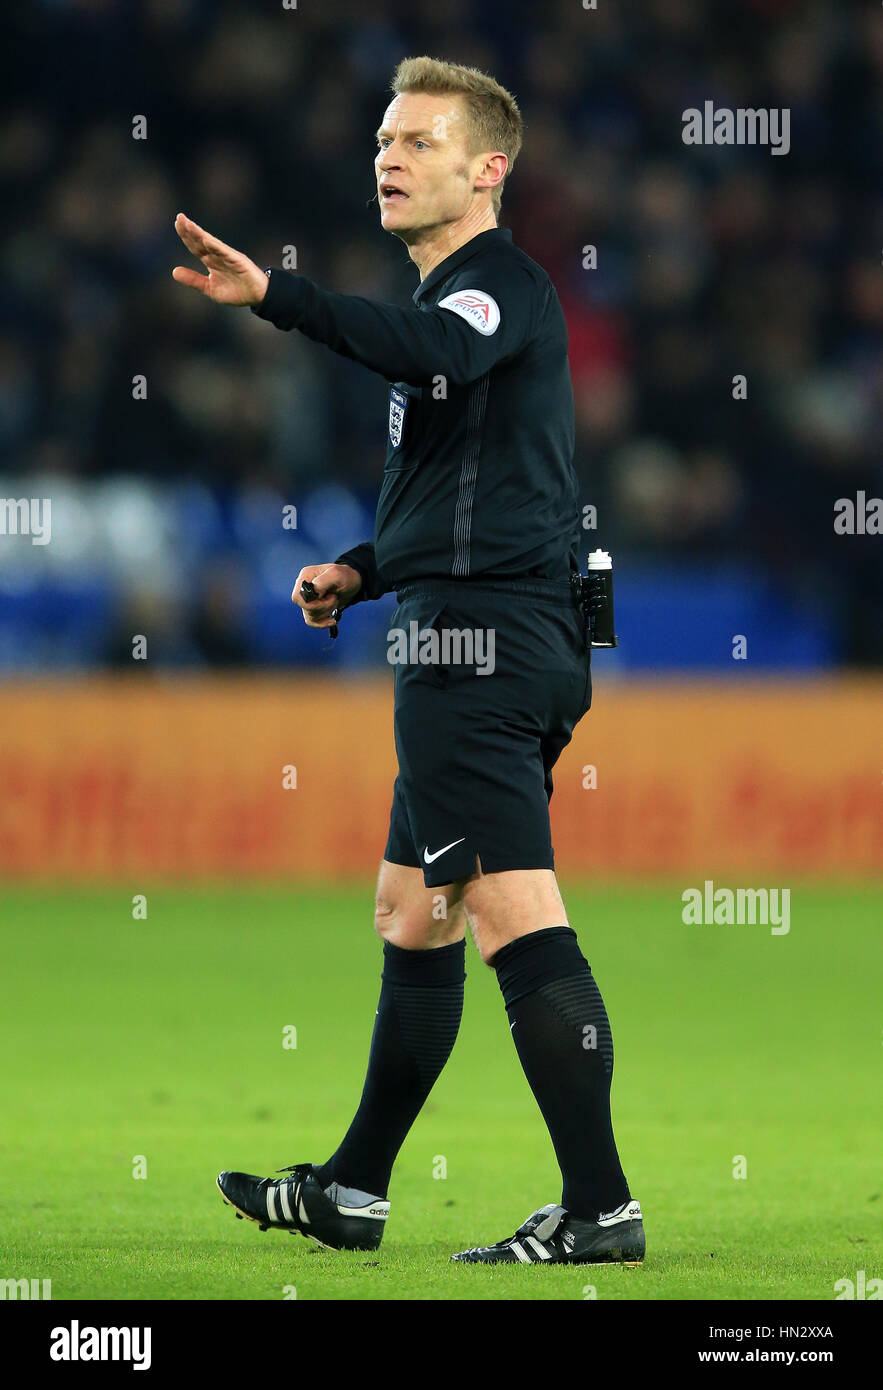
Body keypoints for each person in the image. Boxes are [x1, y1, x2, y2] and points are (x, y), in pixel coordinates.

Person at [173, 55, 644, 1267]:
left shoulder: (491, 291)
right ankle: (356, 1190)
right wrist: (362, 569)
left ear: (487, 171)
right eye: (384, 139)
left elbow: (426, 352)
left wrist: (280, 295)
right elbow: (470, 499)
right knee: (413, 910)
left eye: (420, 142)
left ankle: (600, 1210)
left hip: (479, 651)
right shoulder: (459, 316)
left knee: (512, 917)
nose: (389, 156)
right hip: (480, 626)